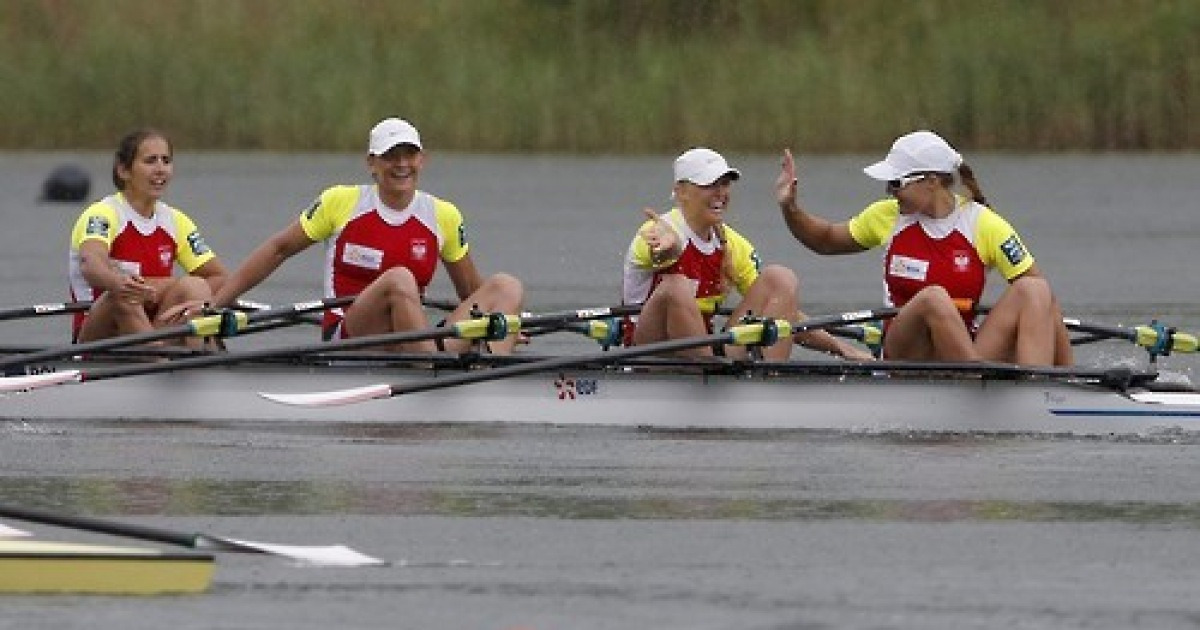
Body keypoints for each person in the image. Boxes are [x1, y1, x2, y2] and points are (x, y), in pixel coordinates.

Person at [211, 117, 523, 353]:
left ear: (422, 160)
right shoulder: (340, 202)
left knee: (507, 287)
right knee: (399, 279)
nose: (401, 165)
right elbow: (278, 250)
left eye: (409, 155)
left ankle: (493, 377)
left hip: (414, 337)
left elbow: (470, 291)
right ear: (371, 163)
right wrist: (215, 307)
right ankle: (432, 368)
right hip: (349, 337)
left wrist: (502, 322)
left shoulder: (443, 215)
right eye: (390, 156)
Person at [775, 130, 1072, 366]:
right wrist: (791, 208)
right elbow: (824, 240)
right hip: (904, 351)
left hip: (963, 349)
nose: (890, 191)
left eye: (896, 183)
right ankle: (974, 384)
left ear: (931, 181)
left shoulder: (985, 225)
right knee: (933, 298)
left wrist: (1072, 379)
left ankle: (1037, 392)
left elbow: (1046, 302)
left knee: (1034, 289)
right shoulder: (887, 216)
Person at [623, 147, 871, 361]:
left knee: (779, 279)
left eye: (725, 183)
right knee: (675, 285)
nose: (720, 193)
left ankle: (767, 383)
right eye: (709, 185)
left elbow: (784, 311)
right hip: (648, 350)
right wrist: (671, 250)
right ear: (680, 191)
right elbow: (660, 254)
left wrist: (844, 349)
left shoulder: (731, 243)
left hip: (702, 349)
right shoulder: (655, 231)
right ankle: (708, 378)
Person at [68, 128, 228, 347]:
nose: (160, 169)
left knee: (195, 287)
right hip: (99, 337)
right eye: (151, 161)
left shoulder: (176, 221)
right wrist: (119, 282)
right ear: (124, 170)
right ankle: (166, 364)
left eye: (166, 160)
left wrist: (195, 305)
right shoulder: (102, 214)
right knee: (123, 296)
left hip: (153, 331)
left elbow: (218, 278)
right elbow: (91, 265)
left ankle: (198, 366)